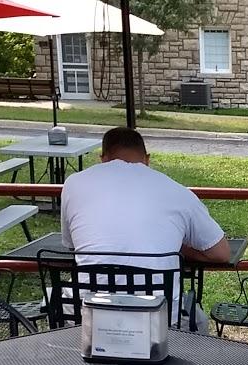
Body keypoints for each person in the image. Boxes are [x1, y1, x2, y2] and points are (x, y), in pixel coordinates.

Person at [60, 127, 231, 298]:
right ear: (147, 159)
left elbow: (72, 245)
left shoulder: (73, 184)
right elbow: (221, 254)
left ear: (103, 159)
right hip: (159, 312)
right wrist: (177, 248)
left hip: (85, 309)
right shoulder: (177, 191)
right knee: (194, 311)